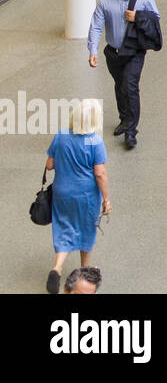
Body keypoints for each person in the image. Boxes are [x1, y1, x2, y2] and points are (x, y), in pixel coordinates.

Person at [87, 0, 160, 150]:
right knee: (120, 86)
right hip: (113, 53)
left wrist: (138, 17)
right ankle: (124, 119)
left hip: (134, 52)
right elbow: (96, 26)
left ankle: (131, 131)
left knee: (130, 86)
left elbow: (155, 20)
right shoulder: (105, 2)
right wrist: (93, 50)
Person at [43, 98, 109, 294]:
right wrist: (106, 199)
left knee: (64, 226)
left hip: (62, 192)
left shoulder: (61, 136)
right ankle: (84, 272)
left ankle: (57, 267)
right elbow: (100, 173)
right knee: (86, 229)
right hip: (86, 195)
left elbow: (49, 165)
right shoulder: (95, 141)